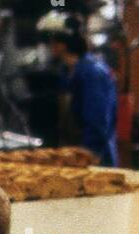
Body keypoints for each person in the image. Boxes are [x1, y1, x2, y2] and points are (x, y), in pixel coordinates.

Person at [49, 30, 119, 166]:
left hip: (94, 155)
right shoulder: (68, 71)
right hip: (74, 152)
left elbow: (98, 119)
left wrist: (89, 153)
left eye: (53, 42)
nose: (50, 46)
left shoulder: (92, 72)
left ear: (62, 46)